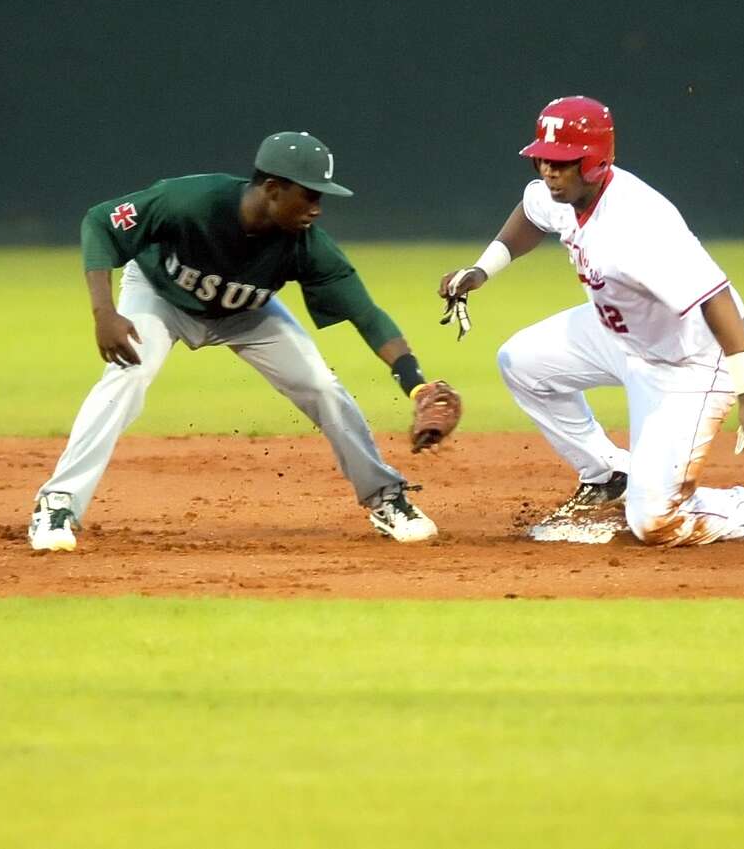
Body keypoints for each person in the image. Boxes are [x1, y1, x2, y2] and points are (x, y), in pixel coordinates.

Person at [29, 130, 453, 551]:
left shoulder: (308, 247)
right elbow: (100, 221)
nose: (317, 208)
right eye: (309, 195)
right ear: (272, 189)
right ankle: (58, 502)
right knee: (127, 376)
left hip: (245, 313)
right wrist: (104, 311)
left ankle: (385, 496)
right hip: (160, 295)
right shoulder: (190, 200)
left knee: (321, 386)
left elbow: (367, 316)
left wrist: (416, 385)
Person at [439, 96, 744, 548]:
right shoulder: (562, 194)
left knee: (654, 523)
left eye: (562, 162)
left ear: (594, 161)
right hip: (620, 333)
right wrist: (481, 270)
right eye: (543, 160)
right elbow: (531, 215)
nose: (549, 171)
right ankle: (608, 474)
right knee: (520, 362)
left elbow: (716, 298)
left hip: (687, 362)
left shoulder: (638, 225)